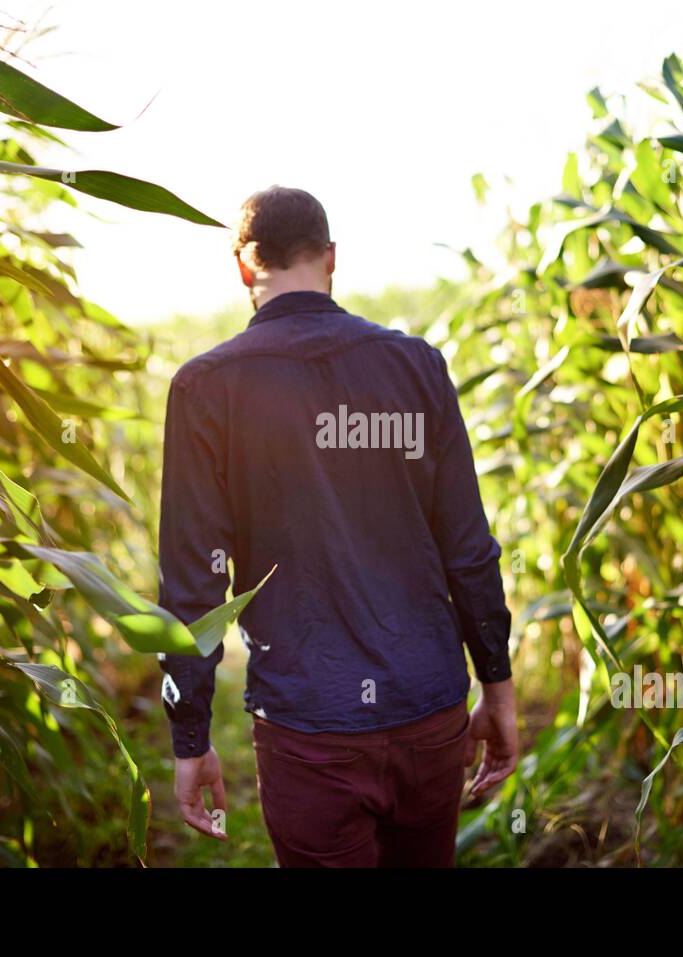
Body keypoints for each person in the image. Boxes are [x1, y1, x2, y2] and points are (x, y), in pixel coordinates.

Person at [157, 185, 517, 867]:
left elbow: (193, 585)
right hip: (429, 712)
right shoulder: (416, 367)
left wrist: (190, 736)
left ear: (243, 268)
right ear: (330, 260)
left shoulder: (204, 389)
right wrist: (496, 684)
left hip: (307, 730)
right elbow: (468, 548)